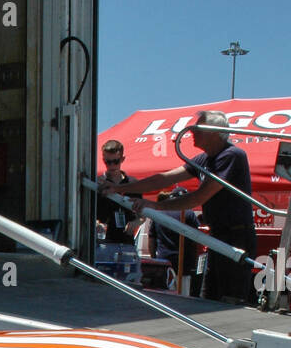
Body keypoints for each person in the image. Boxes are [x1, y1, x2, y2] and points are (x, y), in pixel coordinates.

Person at [102, 110, 257, 303]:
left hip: (236, 237)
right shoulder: (204, 159)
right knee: (210, 296)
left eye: (197, 127)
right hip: (219, 236)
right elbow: (165, 178)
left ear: (213, 132)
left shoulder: (231, 155)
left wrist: (153, 205)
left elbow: (199, 197)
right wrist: (120, 188)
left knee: (229, 298)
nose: (191, 131)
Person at [94, 140, 143, 286]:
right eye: (107, 162)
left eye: (115, 161)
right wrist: (96, 223)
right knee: (102, 285)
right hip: (103, 244)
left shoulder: (133, 184)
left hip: (127, 243)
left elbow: (143, 215)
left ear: (122, 159)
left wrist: (136, 222)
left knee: (130, 285)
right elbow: (89, 212)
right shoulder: (98, 183)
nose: (111, 166)